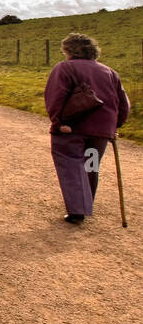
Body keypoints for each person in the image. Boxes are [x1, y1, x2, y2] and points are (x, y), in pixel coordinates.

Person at [44, 32, 130, 224]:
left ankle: (77, 210)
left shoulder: (64, 68)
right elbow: (123, 104)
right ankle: (85, 202)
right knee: (90, 165)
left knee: (71, 163)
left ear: (69, 50)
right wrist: (115, 125)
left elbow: (55, 97)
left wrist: (58, 123)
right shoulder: (110, 72)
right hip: (100, 131)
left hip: (73, 128)